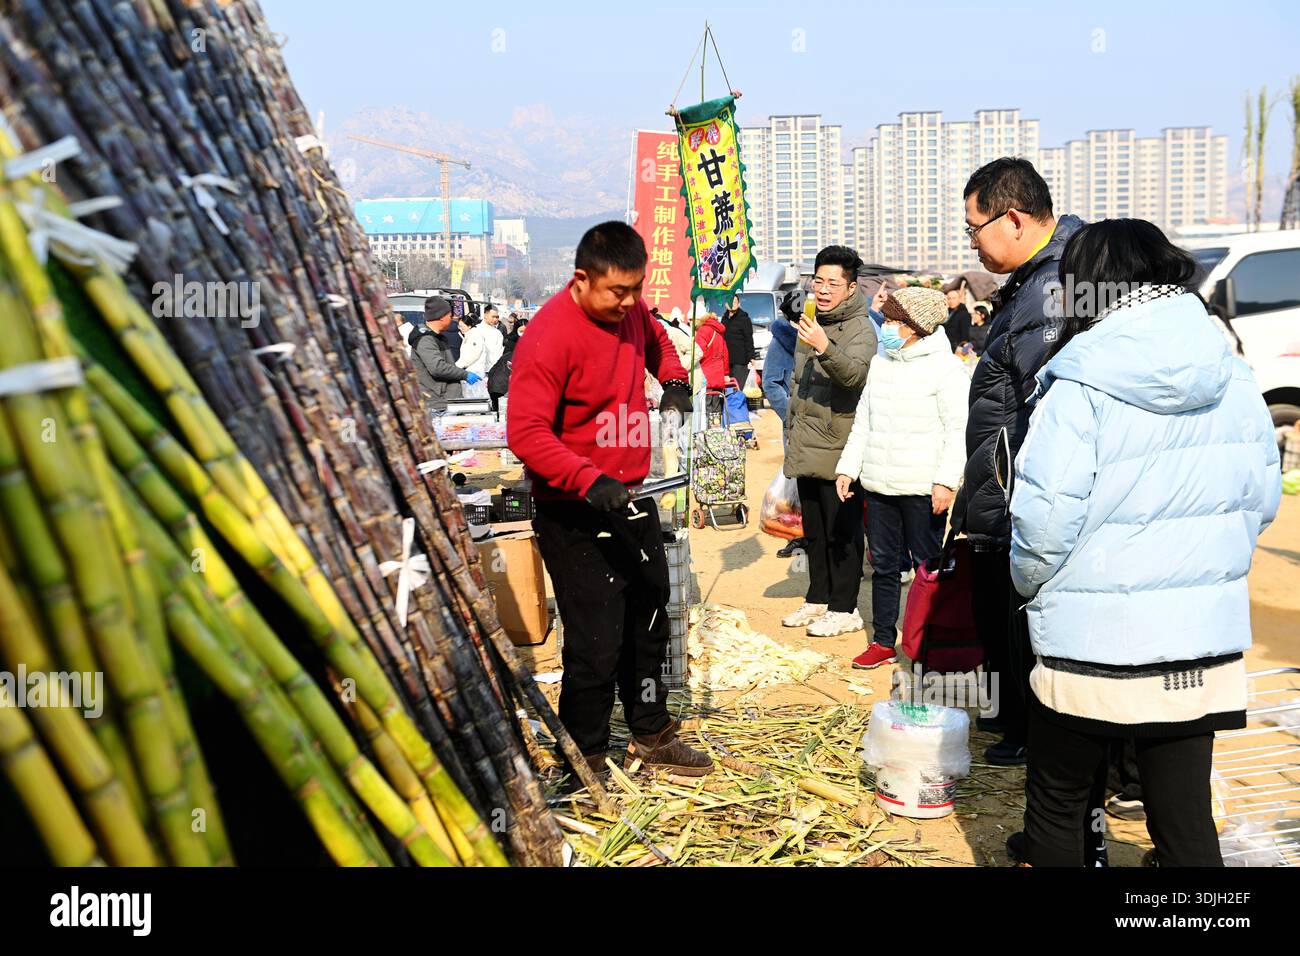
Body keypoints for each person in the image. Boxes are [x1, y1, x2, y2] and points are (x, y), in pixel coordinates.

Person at [1009, 218, 1280, 867]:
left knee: (1059, 809)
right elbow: (1260, 501)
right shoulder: (1233, 373)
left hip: (1087, 646)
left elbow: (1042, 525)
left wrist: (1026, 586)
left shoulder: (1076, 383)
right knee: (1185, 824)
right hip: (1195, 644)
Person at [507, 221, 710, 778]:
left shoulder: (632, 312)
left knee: (648, 616)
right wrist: (586, 480)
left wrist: (671, 378)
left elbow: (658, 340)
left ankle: (650, 733)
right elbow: (525, 432)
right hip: (573, 508)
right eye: (617, 292)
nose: (629, 302)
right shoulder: (549, 337)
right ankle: (586, 754)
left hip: (632, 494)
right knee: (596, 635)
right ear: (581, 279)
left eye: (636, 289)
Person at [951, 157, 1085, 767]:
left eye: (974, 227)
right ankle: (1020, 723)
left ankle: (1036, 733)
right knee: (1004, 610)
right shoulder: (1038, 280)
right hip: (1004, 476)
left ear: (1011, 218)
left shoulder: (1054, 287)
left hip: (1025, 485)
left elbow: (1043, 404)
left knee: (1029, 615)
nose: (973, 241)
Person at [833, 288, 969, 668]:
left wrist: (946, 481)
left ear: (916, 327)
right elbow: (864, 421)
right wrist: (849, 467)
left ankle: (930, 641)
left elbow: (958, 429)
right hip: (878, 486)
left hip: (922, 489)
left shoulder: (946, 368)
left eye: (894, 321)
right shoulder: (882, 362)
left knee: (928, 568)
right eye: (888, 320)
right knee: (885, 567)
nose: (887, 327)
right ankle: (882, 641)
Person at [781, 245, 876, 638]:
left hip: (839, 446)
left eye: (832, 283)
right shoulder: (810, 319)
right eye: (817, 281)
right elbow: (797, 379)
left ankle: (844, 607)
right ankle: (818, 597)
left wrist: (824, 345)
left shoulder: (861, 328)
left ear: (851, 288)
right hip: (807, 440)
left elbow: (855, 376)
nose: (822, 290)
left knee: (843, 533)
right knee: (815, 530)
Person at [410, 295, 480, 415]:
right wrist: (464, 374)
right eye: (449, 316)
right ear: (441, 317)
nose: (452, 319)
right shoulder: (425, 340)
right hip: (437, 404)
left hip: (448, 401)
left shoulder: (440, 337)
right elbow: (437, 368)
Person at [457, 304, 505, 386]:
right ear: (485, 315)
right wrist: (459, 366)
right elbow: (472, 353)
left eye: (497, 317)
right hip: (475, 370)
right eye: (493, 316)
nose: (495, 319)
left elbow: (499, 354)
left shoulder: (498, 333)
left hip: (491, 372)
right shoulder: (476, 330)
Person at [487, 318, 528, 409]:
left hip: (502, 383)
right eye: (521, 331)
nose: (523, 334)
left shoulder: (532, 342)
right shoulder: (511, 342)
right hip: (503, 383)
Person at [722, 294, 756, 388]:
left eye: (734, 302)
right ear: (725, 304)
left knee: (739, 387)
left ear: (739, 303)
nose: (732, 304)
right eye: (730, 301)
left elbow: (749, 339)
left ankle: (740, 402)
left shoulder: (744, 319)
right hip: (726, 360)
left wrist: (752, 357)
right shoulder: (724, 319)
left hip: (740, 360)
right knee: (728, 388)